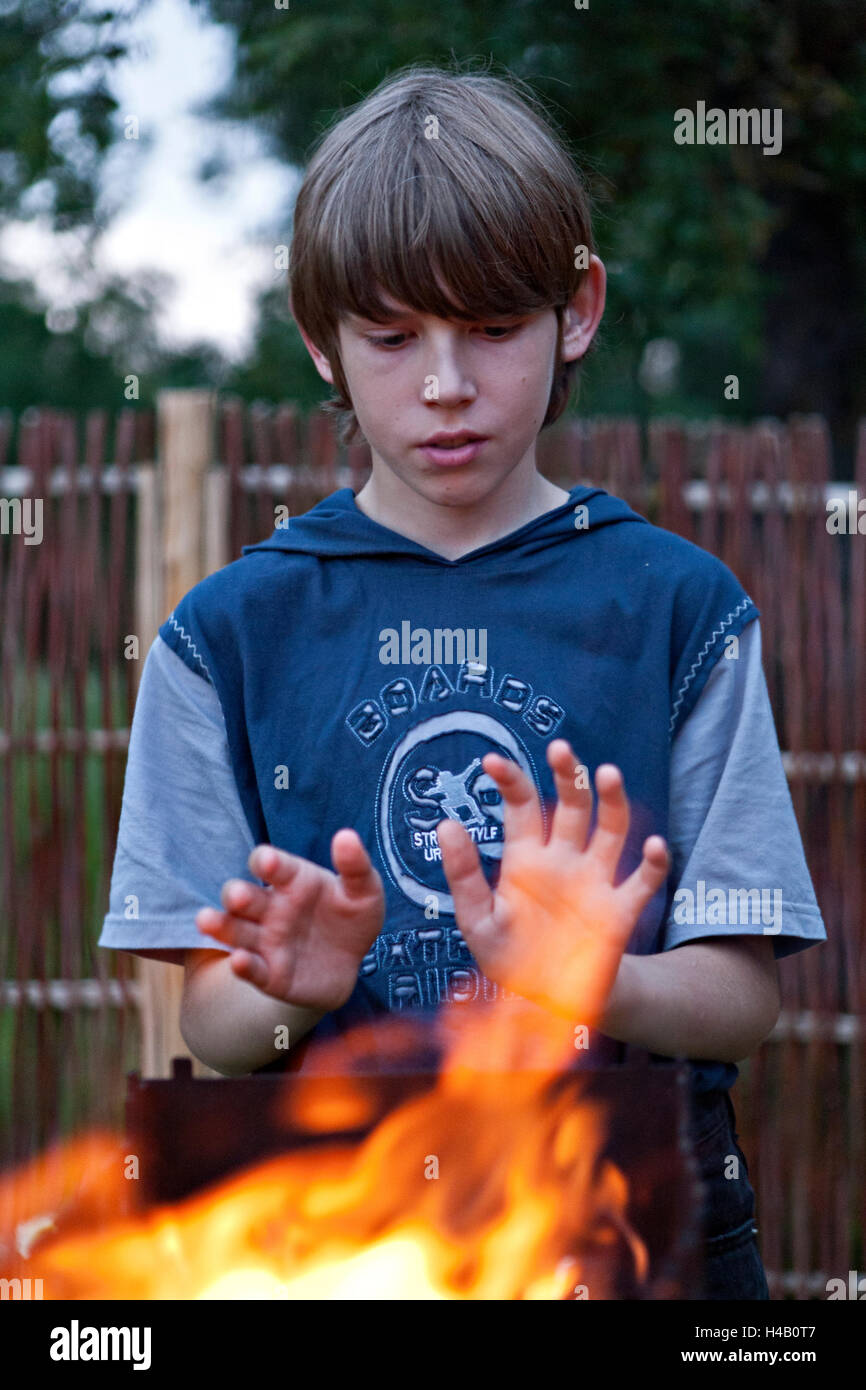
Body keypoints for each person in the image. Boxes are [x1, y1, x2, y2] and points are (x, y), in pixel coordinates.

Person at [99, 63, 826, 1300]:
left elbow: (738, 1000)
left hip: (638, 1231)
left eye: (491, 329)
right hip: (335, 1230)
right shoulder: (223, 636)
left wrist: (597, 977)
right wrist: (293, 990)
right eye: (390, 338)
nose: (443, 384)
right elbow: (213, 1031)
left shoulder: (678, 610)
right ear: (319, 338)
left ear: (577, 309)